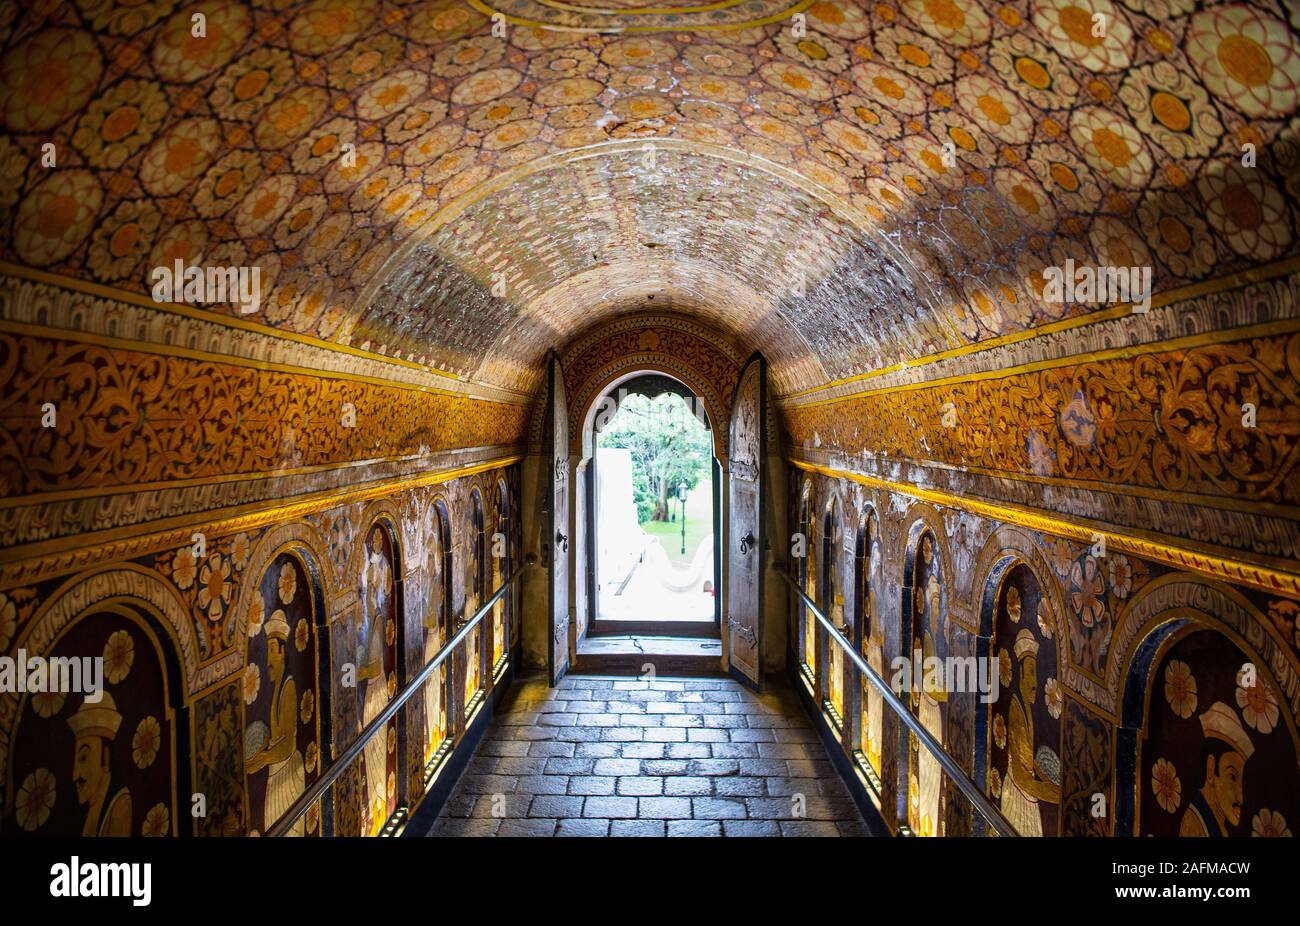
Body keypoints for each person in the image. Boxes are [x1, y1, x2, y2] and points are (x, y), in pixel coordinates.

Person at [245, 612, 305, 835]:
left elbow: (288, 743)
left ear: (282, 653)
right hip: (276, 772)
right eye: (268, 651)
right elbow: (278, 737)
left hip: (286, 772)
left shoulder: (288, 687)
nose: (268, 660)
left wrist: (262, 759)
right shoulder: (278, 687)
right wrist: (263, 749)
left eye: (272, 651)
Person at [1179, 701, 1253, 837]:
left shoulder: (1220, 829)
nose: (1240, 798)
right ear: (1211, 769)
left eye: (1241, 782)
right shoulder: (1194, 820)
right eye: (1232, 777)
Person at [69, 692, 132, 836]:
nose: (75, 776)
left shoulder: (120, 805)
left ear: (105, 757)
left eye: (84, 757)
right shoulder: (90, 811)